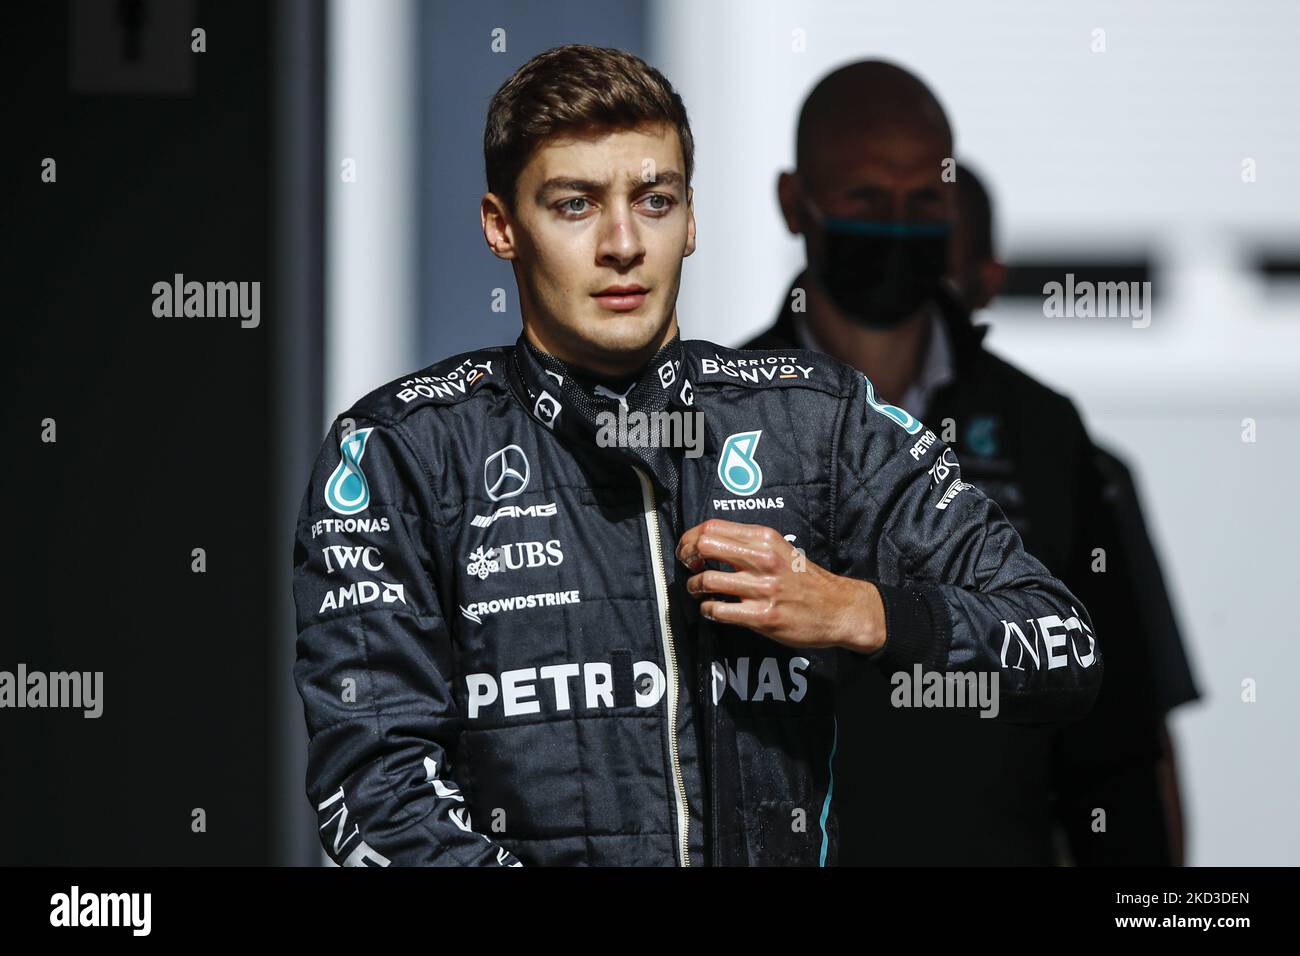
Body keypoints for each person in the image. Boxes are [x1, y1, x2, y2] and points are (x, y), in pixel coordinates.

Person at [292, 44, 1101, 867]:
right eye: (575, 205)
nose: (622, 243)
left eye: (654, 200)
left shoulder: (814, 420)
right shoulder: (401, 451)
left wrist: (858, 611)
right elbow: (375, 794)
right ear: (503, 226)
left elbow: (1065, 644)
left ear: (691, 219)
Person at [743, 61, 1195, 865]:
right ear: (794, 203)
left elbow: (1116, 740)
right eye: (864, 197)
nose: (895, 222)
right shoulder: (725, 418)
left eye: (923, 199)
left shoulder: (1042, 429)